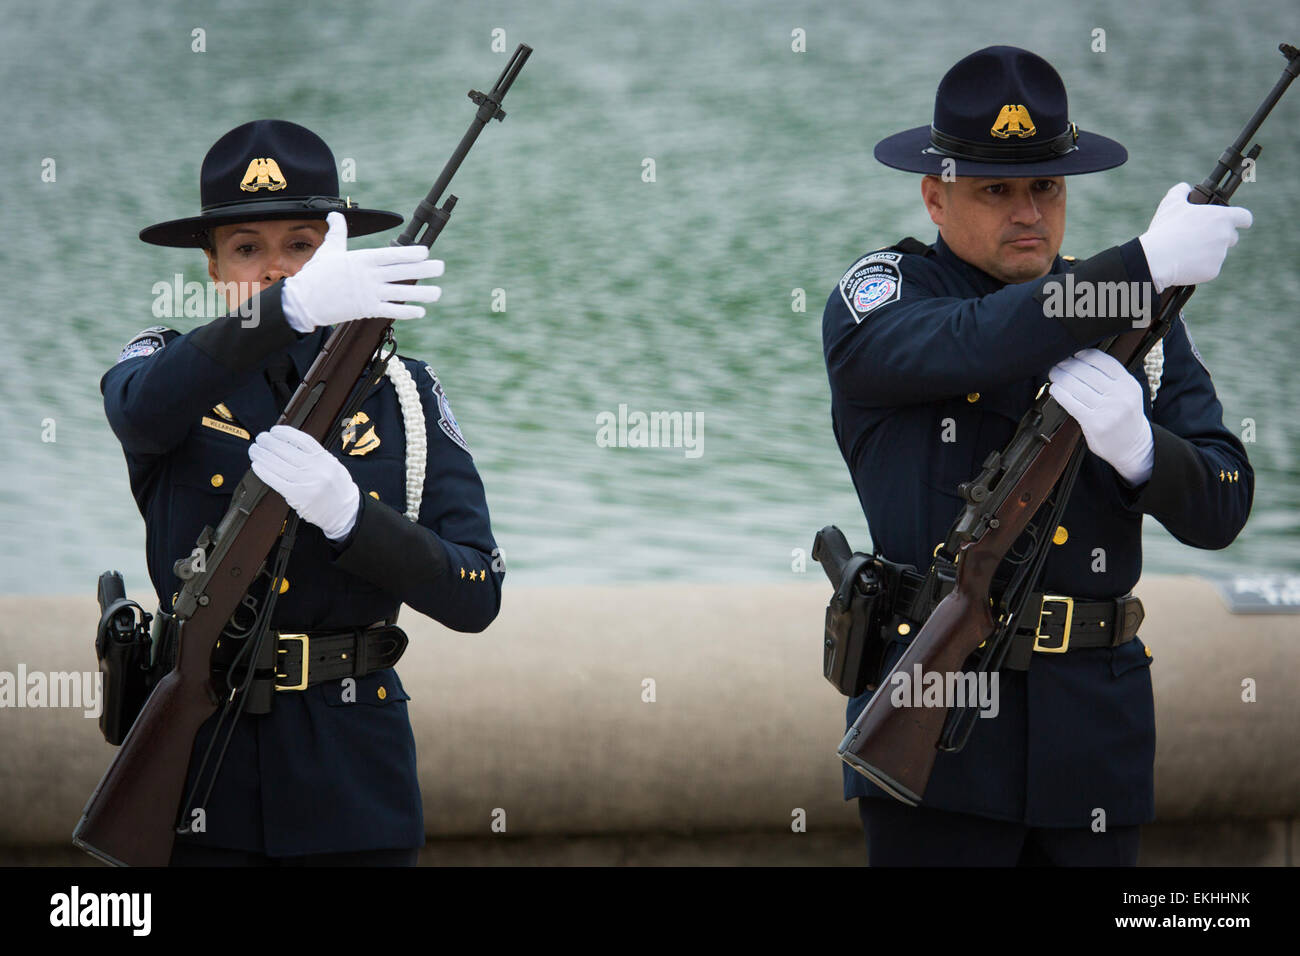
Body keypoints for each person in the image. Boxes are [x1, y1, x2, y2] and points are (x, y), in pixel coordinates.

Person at [822, 47, 1254, 866]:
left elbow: (1225, 501)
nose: (1028, 212)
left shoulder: (1142, 319)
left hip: (1095, 741)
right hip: (944, 746)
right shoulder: (884, 298)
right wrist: (1138, 269)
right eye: (996, 190)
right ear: (935, 197)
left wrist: (1141, 452)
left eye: (1045, 187)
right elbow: (979, 338)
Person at [101, 119, 503, 865]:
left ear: (337, 254)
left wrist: (354, 519)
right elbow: (139, 410)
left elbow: (476, 591)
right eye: (248, 249)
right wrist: (284, 311)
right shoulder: (164, 374)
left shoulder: (405, 395)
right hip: (204, 781)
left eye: (301, 246)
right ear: (214, 268)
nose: (278, 269)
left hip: (356, 786)